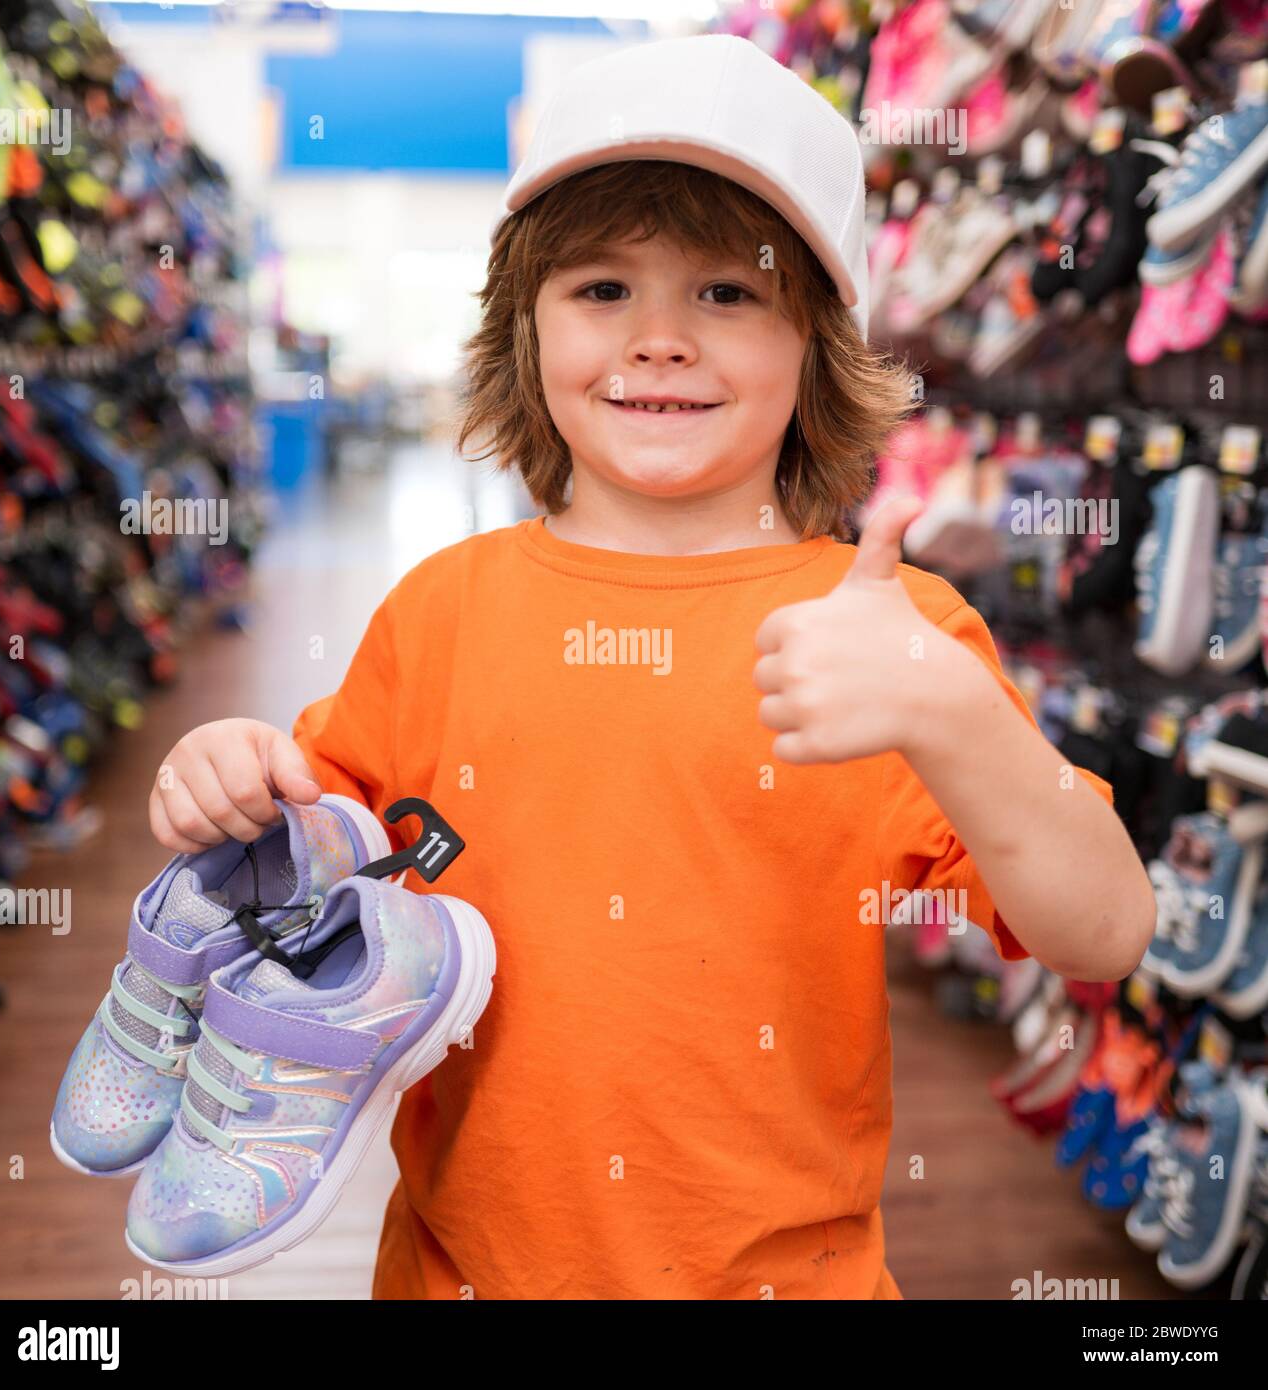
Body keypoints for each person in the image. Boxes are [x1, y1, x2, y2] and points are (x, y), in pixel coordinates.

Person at [149, 34, 1156, 1299]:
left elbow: (1106, 932)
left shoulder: (891, 638)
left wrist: (961, 718)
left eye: (729, 293)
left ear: (818, 343)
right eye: (602, 289)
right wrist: (223, 778)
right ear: (526, 327)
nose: (662, 338)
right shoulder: (441, 611)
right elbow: (308, 853)